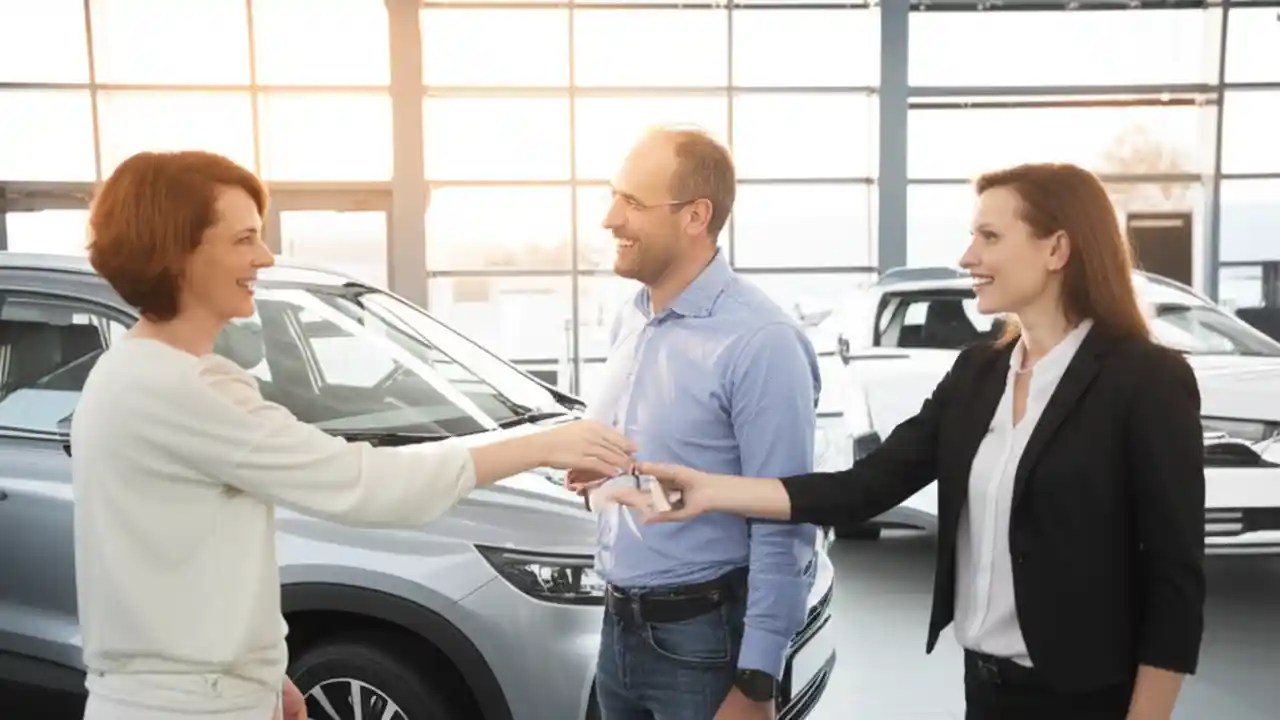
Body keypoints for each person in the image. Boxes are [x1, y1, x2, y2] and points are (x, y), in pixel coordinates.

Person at [620, 162, 1207, 720]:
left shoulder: (1145, 380)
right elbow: (861, 490)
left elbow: (1174, 578)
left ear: (1057, 248)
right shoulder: (979, 374)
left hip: (1090, 700)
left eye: (990, 237)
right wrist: (712, 491)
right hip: (986, 688)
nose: (967, 256)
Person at [71, 150, 637, 720]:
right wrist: (541, 444)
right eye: (244, 239)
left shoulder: (129, 371)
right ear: (179, 254)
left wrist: (266, 676)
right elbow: (362, 482)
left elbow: (178, 560)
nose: (264, 257)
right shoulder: (185, 389)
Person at [567, 127, 822, 720]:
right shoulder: (632, 319)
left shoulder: (762, 342)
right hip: (617, 631)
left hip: (704, 647)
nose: (610, 218)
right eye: (614, 196)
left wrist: (756, 680)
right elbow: (683, 480)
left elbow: (782, 519)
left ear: (696, 216)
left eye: (632, 202)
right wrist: (606, 481)